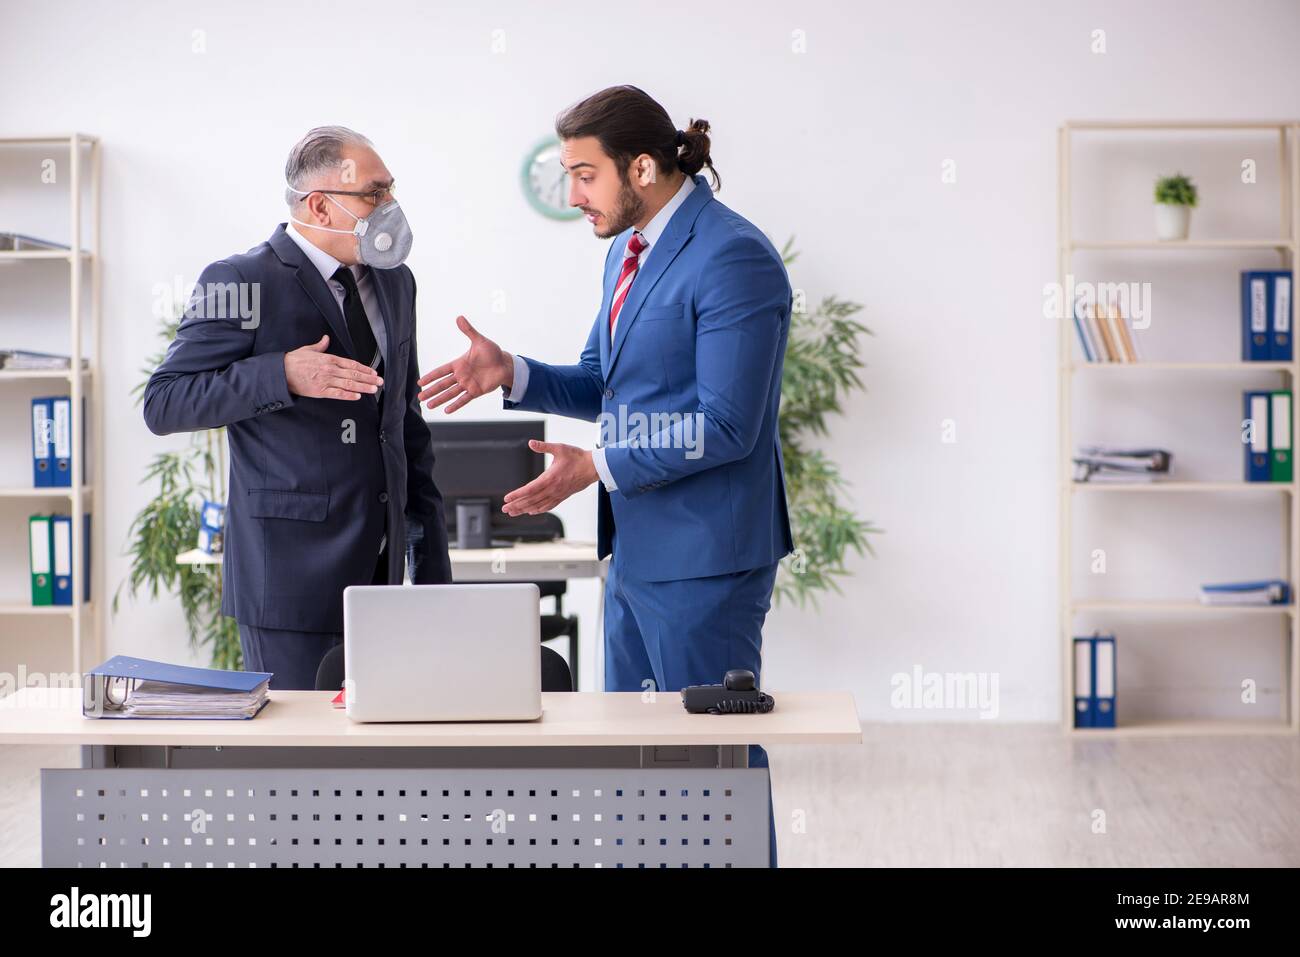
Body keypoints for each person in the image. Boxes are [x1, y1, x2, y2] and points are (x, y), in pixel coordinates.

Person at [417, 86, 793, 865]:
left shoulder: (733, 257)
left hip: (707, 559)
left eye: (585, 175)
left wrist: (601, 465)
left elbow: (728, 424)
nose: (573, 195)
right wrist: (510, 371)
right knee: (633, 760)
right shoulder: (632, 253)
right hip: (635, 554)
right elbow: (602, 381)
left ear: (643, 168)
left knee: (712, 768)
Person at [144, 125, 452, 689]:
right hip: (288, 578)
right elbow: (165, 402)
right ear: (320, 205)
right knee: (300, 766)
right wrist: (280, 373)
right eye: (374, 193)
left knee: (378, 752)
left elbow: (404, 425)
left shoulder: (395, 281)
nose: (390, 206)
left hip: (382, 577)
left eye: (390, 190)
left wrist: (429, 560)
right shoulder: (240, 279)